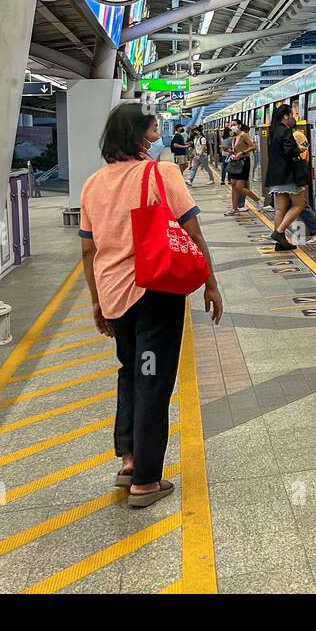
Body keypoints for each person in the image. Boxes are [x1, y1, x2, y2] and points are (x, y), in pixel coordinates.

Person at [78, 104, 223, 508]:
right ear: (140, 135)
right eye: (154, 127)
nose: (159, 132)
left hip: (113, 296)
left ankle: (129, 457)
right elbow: (191, 229)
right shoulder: (162, 173)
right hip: (154, 292)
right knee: (153, 377)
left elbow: (88, 248)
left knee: (131, 370)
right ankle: (145, 480)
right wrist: (211, 283)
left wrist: (95, 301)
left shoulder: (92, 185)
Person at [264, 103, 307, 251]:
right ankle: (279, 232)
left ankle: (280, 243)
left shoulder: (273, 132)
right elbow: (288, 152)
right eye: (292, 115)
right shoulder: (286, 131)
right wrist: (298, 149)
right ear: (286, 116)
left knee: (280, 209)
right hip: (288, 175)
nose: (293, 118)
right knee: (299, 205)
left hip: (275, 175)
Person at [224, 120, 262, 217]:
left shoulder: (243, 135)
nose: (232, 126)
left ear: (239, 125)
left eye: (234, 125)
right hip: (234, 162)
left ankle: (257, 198)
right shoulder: (234, 137)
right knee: (233, 185)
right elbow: (235, 150)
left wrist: (242, 152)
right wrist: (230, 151)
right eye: (231, 125)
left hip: (244, 162)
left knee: (239, 187)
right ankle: (234, 208)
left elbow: (253, 146)